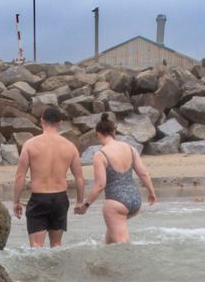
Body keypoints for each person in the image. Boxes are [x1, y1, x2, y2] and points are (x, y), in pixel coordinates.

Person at [75, 113, 157, 243]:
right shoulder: (130, 148)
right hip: (135, 201)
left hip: (116, 202)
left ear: (98, 134)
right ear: (114, 132)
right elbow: (144, 173)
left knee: (122, 245)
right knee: (110, 239)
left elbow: (100, 185)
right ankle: (106, 261)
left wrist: (86, 205)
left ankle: (130, 263)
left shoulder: (100, 154)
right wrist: (151, 192)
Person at [12, 106, 85, 248]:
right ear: (60, 123)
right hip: (60, 199)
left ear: (41, 121)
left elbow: (20, 176)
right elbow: (79, 178)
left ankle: (38, 271)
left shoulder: (30, 145)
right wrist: (80, 201)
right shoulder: (70, 146)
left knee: (36, 246)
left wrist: (16, 201)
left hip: (39, 198)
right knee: (56, 245)